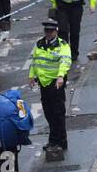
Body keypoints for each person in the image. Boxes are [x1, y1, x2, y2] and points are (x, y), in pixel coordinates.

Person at [29, 18, 71, 153]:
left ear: (56, 31)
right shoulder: (40, 44)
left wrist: (60, 76)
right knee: (48, 113)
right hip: (44, 83)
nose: (48, 33)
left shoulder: (62, 45)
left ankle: (61, 141)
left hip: (55, 83)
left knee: (58, 113)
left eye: (51, 31)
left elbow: (65, 61)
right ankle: (53, 140)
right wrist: (32, 75)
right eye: (46, 31)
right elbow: (35, 60)